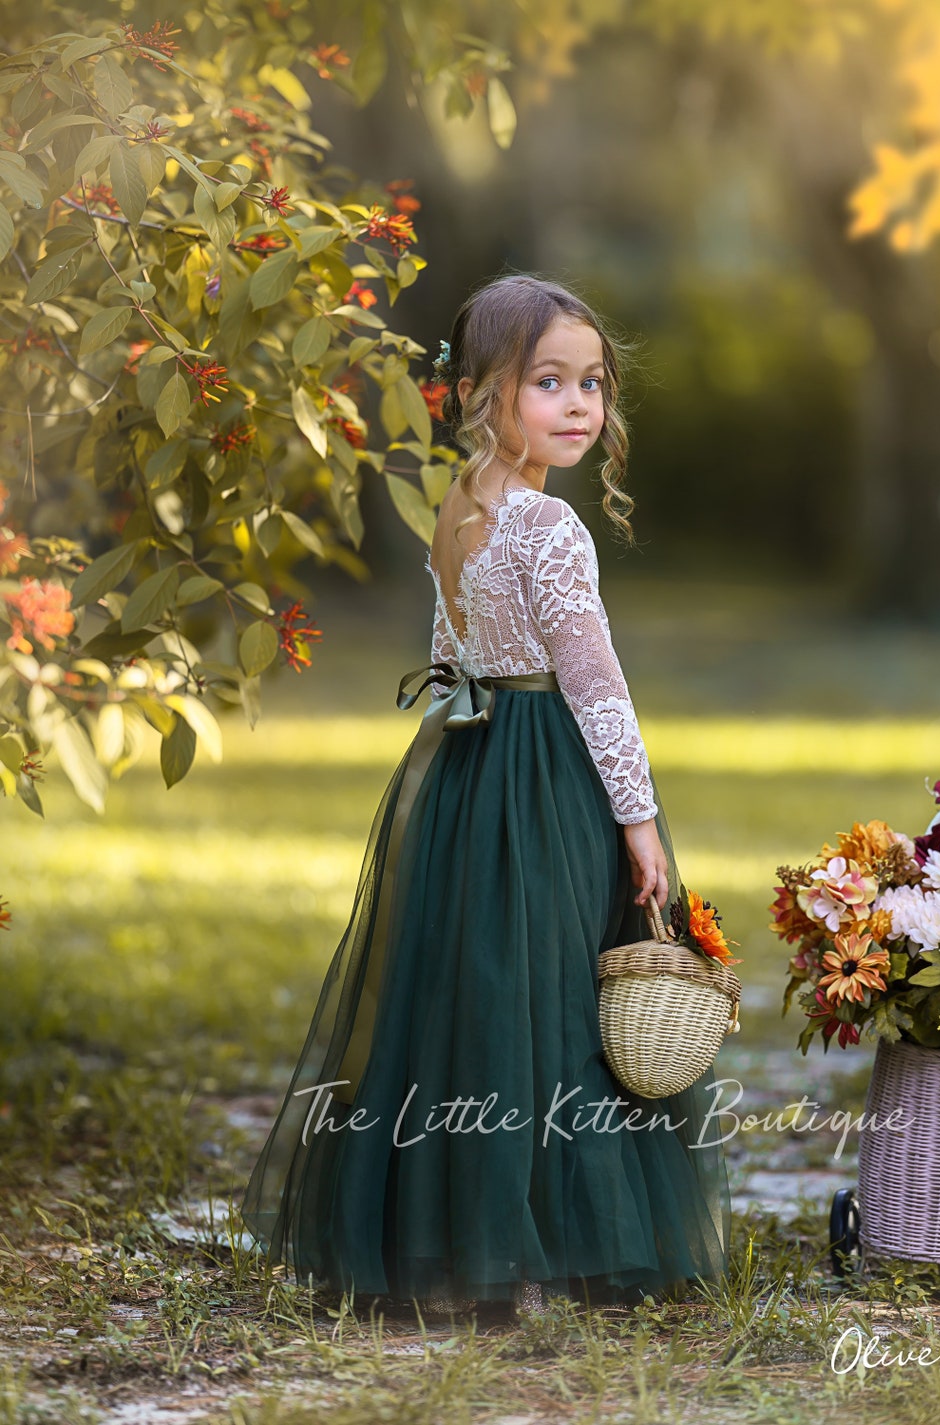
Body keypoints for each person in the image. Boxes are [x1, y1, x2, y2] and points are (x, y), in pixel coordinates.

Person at [240, 273, 732, 1318]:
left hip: (468, 763)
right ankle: (557, 1236)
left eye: (590, 382)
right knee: (559, 994)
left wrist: (462, 746)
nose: (578, 404)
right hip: (548, 772)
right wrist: (638, 822)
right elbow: (595, 681)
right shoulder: (551, 531)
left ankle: (451, 1228)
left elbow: (447, 653)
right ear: (483, 393)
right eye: (546, 381)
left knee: (472, 994)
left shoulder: (462, 506)